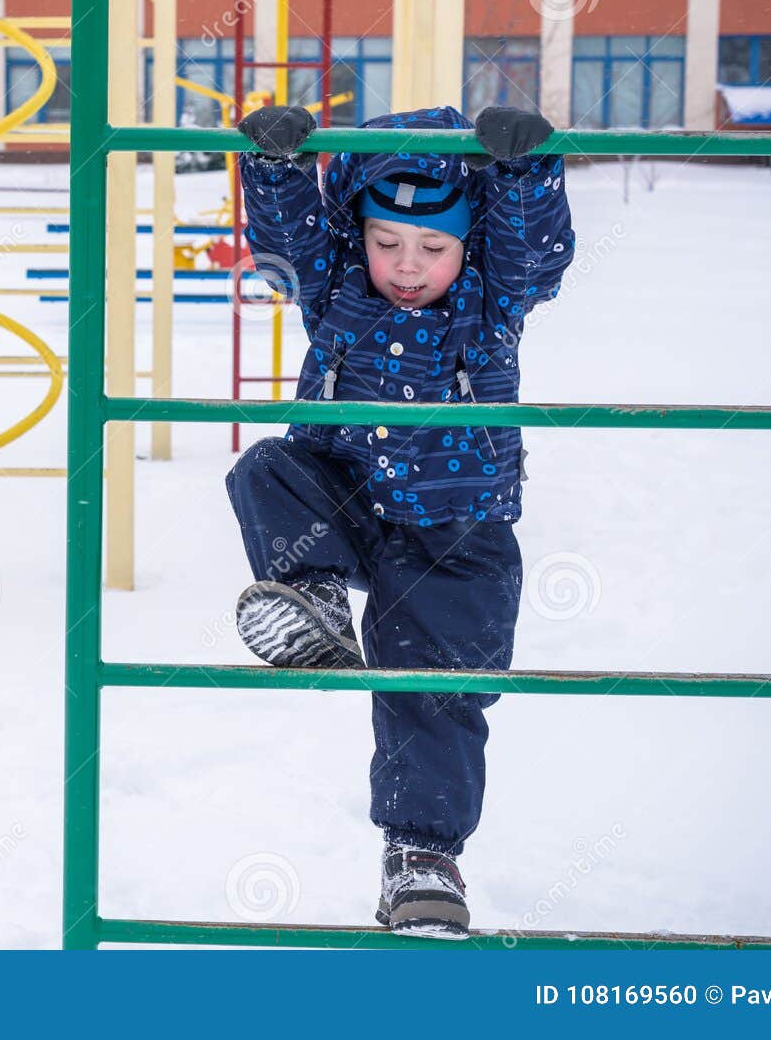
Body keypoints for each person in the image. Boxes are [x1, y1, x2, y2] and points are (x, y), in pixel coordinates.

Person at [225, 102, 573, 939]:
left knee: (436, 692)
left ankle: (423, 858)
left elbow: (535, 256)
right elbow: (286, 246)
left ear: (467, 243)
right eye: (387, 244)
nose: (407, 267)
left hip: (456, 531)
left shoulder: (491, 296)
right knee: (265, 469)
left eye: (433, 248)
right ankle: (310, 596)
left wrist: (523, 175)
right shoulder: (336, 284)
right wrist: (275, 171)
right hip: (347, 499)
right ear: (361, 234)